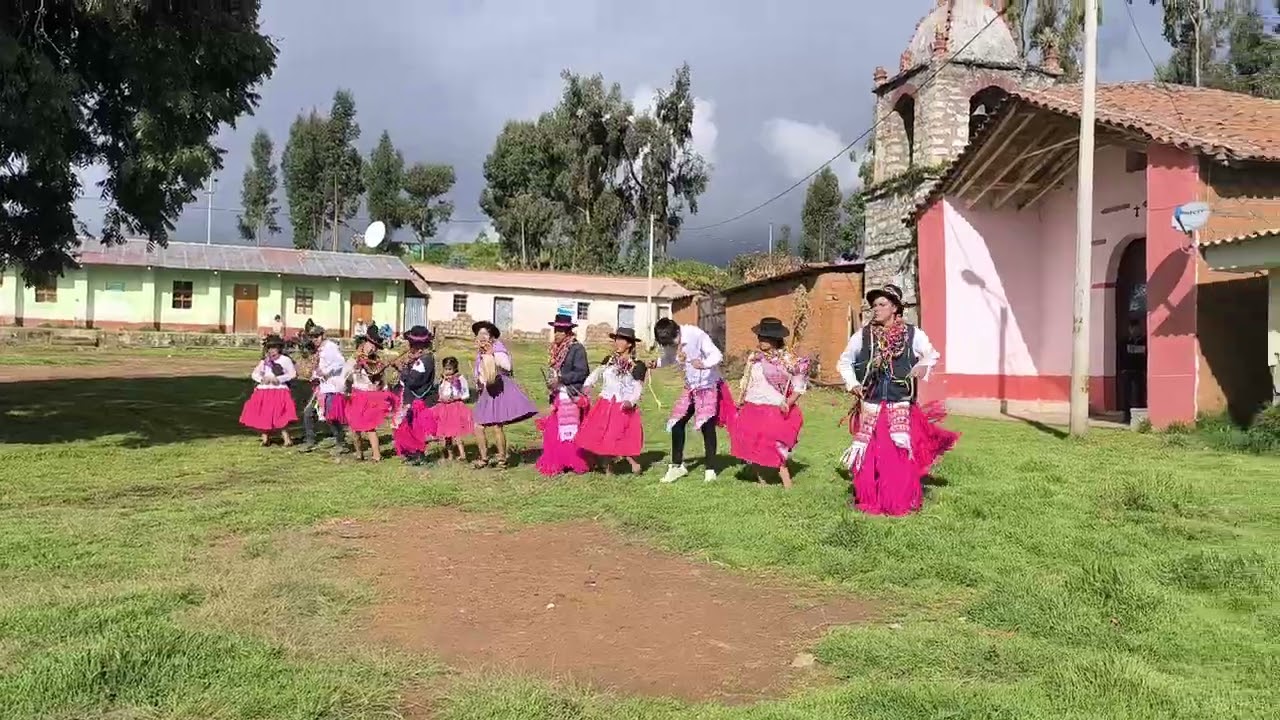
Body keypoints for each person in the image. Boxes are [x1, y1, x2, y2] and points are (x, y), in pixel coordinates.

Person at [836, 283, 958, 516]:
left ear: (895, 308)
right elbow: (845, 361)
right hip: (871, 404)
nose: (876, 309)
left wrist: (921, 367)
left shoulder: (913, 334)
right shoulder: (863, 336)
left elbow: (932, 355)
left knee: (896, 454)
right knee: (869, 454)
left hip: (899, 403)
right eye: (874, 305)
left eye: (882, 304)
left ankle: (896, 500)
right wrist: (852, 384)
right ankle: (870, 498)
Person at [728, 317, 810, 489]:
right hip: (752, 405)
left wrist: (789, 402)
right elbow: (747, 379)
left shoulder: (788, 360)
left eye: (764, 337)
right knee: (752, 443)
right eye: (759, 336)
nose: (760, 340)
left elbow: (799, 384)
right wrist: (741, 398)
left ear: (775, 339)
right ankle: (761, 481)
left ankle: (787, 484)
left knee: (774, 445)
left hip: (774, 407)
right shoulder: (754, 358)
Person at [650, 317, 734, 483]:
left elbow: (717, 355)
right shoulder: (670, 342)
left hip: (707, 386)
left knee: (707, 426)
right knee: (676, 423)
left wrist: (703, 364)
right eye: (668, 345)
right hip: (690, 387)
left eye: (673, 343)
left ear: (677, 332)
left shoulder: (695, 334)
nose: (672, 347)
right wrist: (657, 363)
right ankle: (677, 466)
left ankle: (710, 469)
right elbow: (669, 358)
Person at [575, 327, 647, 475]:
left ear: (630, 344)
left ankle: (632, 462)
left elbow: (637, 387)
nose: (617, 342)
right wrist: (588, 385)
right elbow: (596, 373)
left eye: (622, 339)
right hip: (606, 402)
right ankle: (608, 468)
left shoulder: (637, 365)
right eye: (616, 339)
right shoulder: (609, 360)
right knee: (601, 435)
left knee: (617, 435)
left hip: (622, 405)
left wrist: (631, 402)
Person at [471, 320, 538, 469]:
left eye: (485, 333)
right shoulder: (479, 354)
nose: (481, 337)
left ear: (491, 336)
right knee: (478, 425)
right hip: (487, 390)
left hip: (500, 387)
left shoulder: (498, 349)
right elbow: (480, 374)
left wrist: (491, 355)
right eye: (479, 334)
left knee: (496, 425)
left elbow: (507, 366)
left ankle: (502, 460)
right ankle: (484, 458)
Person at [534, 313, 591, 476]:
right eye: (556, 330)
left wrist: (561, 378)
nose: (557, 334)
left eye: (560, 331)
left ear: (568, 332)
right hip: (558, 394)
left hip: (571, 394)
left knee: (569, 430)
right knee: (554, 429)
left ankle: (572, 461)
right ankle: (559, 460)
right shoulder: (556, 350)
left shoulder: (576, 349)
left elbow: (582, 372)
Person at [343, 325, 396, 462]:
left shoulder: (376, 361)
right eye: (371, 344)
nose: (373, 348)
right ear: (365, 342)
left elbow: (381, 381)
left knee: (370, 427)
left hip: (370, 396)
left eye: (376, 346)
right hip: (357, 394)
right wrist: (353, 368)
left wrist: (379, 385)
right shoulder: (354, 358)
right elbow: (345, 376)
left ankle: (377, 456)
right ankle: (359, 453)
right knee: (355, 428)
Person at [238, 334, 298, 446]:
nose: (272, 351)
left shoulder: (285, 360)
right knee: (263, 414)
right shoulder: (265, 361)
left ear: (279, 348)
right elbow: (255, 373)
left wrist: (279, 379)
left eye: (274, 348)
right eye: (270, 348)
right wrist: (261, 379)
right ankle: (265, 439)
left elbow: (293, 374)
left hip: (279, 390)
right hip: (264, 390)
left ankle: (286, 439)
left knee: (280, 414)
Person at [391, 326, 438, 466]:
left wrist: (402, 369)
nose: (409, 346)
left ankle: (419, 455)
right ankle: (411, 452)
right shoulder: (419, 359)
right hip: (409, 397)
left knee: (414, 428)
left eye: (411, 343)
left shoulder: (425, 360)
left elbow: (414, 381)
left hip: (415, 399)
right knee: (405, 426)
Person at [301, 324, 350, 455]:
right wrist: (314, 375)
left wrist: (326, 372)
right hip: (321, 387)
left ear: (322, 335)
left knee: (331, 416)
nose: (314, 339)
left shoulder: (330, 347)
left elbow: (340, 362)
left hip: (333, 386)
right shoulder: (318, 350)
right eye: (312, 337)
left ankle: (341, 442)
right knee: (308, 412)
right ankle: (310, 440)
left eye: (316, 336)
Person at [432, 356, 474, 461]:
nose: (447, 371)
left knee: (456, 432)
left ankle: (462, 454)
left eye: (450, 369)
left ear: (455, 369)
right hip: (444, 407)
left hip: (454, 407)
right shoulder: (442, 379)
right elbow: (440, 391)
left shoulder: (459, 379)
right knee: (446, 433)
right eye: (445, 369)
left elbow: (465, 394)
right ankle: (450, 455)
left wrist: (455, 397)